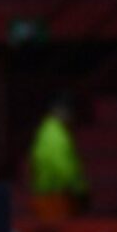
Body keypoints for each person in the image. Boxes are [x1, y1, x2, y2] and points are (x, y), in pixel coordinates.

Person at [28, 93, 88, 221]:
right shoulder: (55, 134)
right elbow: (63, 167)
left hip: (50, 195)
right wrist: (79, 189)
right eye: (70, 111)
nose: (72, 116)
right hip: (56, 198)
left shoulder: (46, 130)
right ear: (61, 110)